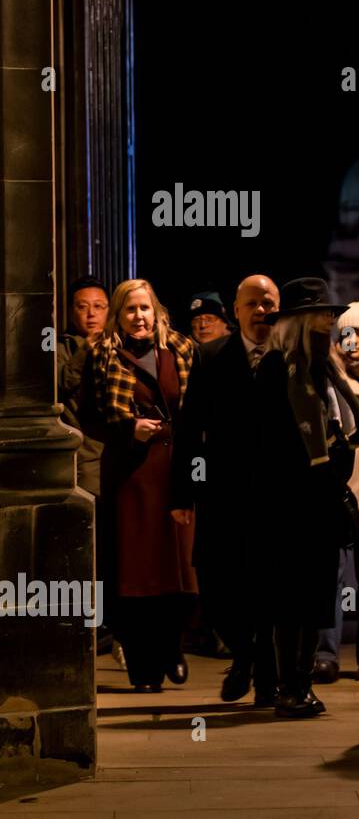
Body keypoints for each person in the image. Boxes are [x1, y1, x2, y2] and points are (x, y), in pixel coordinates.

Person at [253, 278, 359, 719]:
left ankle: (300, 682)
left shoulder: (320, 369)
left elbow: (341, 429)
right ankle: (290, 686)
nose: (331, 320)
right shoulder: (277, 371)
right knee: (293, 598)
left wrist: (336, 454)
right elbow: (274, 444)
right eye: (323, 313)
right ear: (303, 321)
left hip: (319, 501)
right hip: (291, 505)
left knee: (315, 597)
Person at [170, 275, 282, 705]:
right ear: (236, 312)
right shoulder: (212, 356)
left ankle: (268, 679)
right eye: (251, 303)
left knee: (270, 589)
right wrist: (182, 492)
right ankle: (246, 655)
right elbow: (190, 426)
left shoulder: (290, 356)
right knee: (218, 589)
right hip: (223, 492)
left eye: (267, 302)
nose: (260, 311)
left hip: (275, 496)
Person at [85, 280, 198, 691]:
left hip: (174, 467)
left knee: (178, 566)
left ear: (157, 311)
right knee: (134, 571)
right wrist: (129, 429)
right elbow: (88, 417)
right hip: (130, 471)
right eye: (130, 309)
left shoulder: (182, 349)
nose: (139, 316)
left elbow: (198, 411)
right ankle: (141, 665)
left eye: (145, 308)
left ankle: (172, 648)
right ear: (119, 314)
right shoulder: (102, 353)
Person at [310, 300, 359, 684]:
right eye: (345, 334)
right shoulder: (328, 381)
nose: (353, 342)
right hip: (338, 496)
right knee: (332, 581)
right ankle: (324, 654)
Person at [58, 276, 109, 499]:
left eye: (98, 306)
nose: (91, 314)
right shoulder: (61, 346)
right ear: (71, 312)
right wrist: (85, 350)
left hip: (122, 449)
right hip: (86, 453)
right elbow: (62, 385)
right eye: (83, 307)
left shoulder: (120, 344)